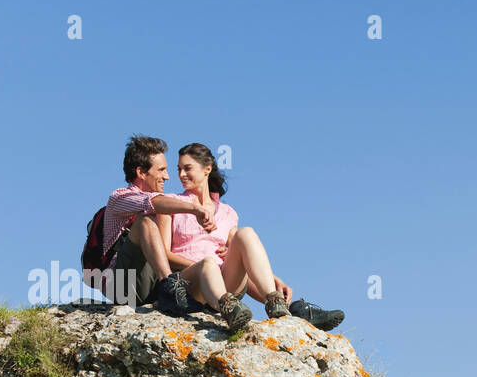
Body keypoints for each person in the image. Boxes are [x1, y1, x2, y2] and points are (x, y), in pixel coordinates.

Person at [157, 143, 345, 332]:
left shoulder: (227, 213)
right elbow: (163, 253)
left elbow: (244, 256)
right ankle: (229, 309)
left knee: (245, 234)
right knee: (208, 264)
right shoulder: (173, 204)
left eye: (187, 168)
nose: (181, 175)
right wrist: (204, 267)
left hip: (224, 282)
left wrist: (273, 279)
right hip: (192, 284)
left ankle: (277, 302)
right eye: (179, 169)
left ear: (207, 169)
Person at [97, 135, 246, 330]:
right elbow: (153, 203)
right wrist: (194, 209)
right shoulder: (120, 198)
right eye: (162, 170)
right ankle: (170, 288)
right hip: (123, 283)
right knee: (146, 221)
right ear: (141, 172)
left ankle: (171, 290)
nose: (168, 176)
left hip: (149, 286)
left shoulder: (168, 202)